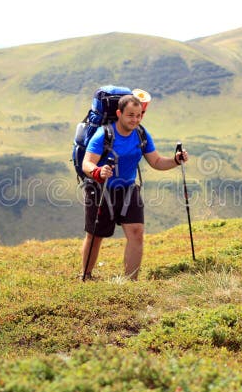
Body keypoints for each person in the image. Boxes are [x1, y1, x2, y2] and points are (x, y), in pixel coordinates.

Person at [80, 94, 189, 281]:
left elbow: (156, 162)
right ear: (119, 113)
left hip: (128, 189)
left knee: (136, 233)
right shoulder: (103, 135)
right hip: (101, 190)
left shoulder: (141, 134)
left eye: (139, 115)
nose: (135, 120)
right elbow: (87, 164)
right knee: (95, 236)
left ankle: (131, 281)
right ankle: (86, 275)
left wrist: (176, 160)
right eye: (130, 115)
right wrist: (98, 171)